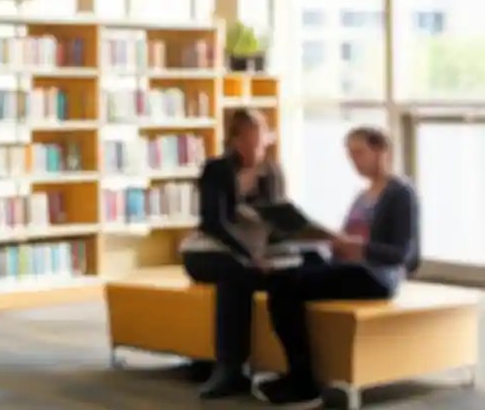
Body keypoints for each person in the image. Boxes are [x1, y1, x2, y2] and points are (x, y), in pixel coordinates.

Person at [253, 126, 419, 407]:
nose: (354, 161)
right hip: (348, 266)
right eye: (350, 155)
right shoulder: (361, 195)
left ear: (381, 150)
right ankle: (294, 372)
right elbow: (343, 242)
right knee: (279, 274)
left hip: (375, 275)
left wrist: (360, 248)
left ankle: (303, 380)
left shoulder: (401, 194)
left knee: (286, 286)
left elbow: (404, 256)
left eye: (359, 153)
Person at [179, 108, 285, 399]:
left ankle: (233, 367)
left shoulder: (271, 172)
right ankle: (229, 367)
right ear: (236, 140)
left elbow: (276, 219)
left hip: (253, 254)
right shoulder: (216, 169)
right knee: (237, 272)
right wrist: (250, 253)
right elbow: (215, 223)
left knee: (256, 276)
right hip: (207, 251)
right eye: (253, 140)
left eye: (262, 140)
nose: (259, 147)